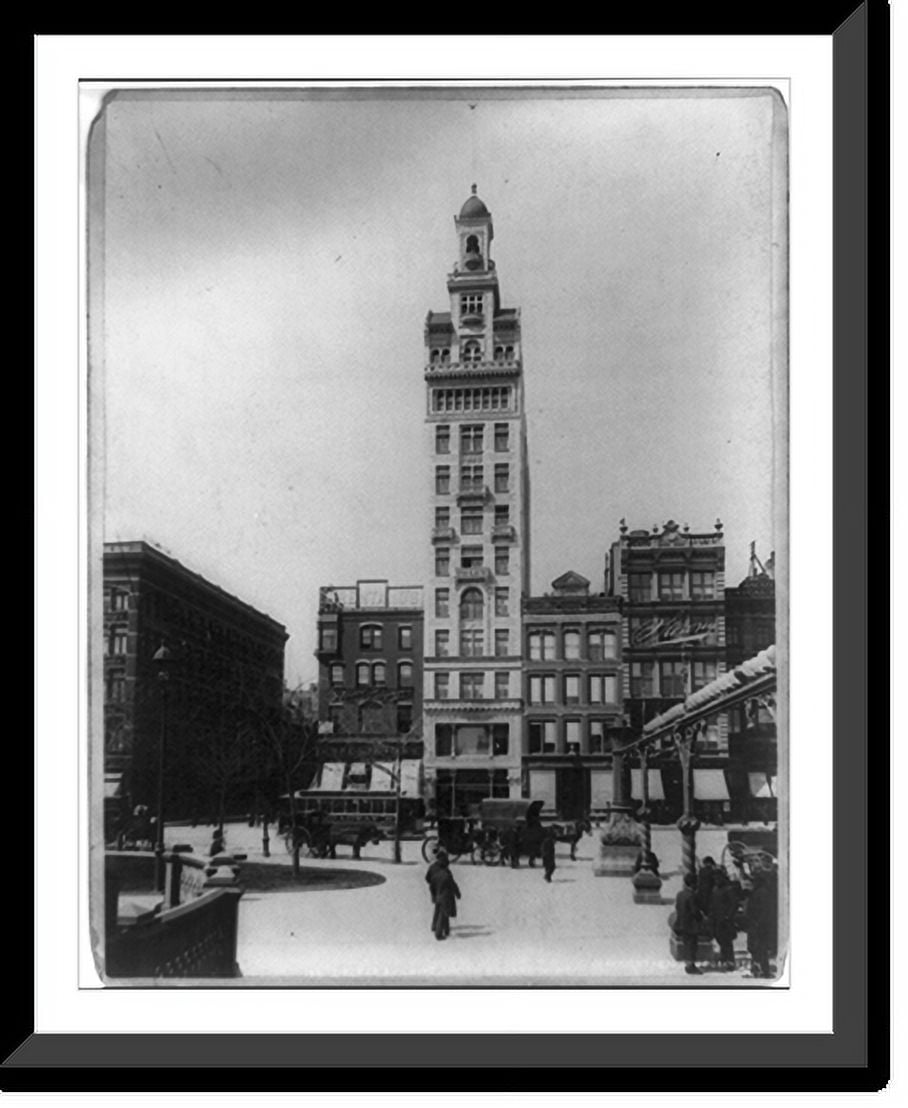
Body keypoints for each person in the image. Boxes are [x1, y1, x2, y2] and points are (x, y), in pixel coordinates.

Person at [745, 868, 774, 977]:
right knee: (757, 947)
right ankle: (758, 968)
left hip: (758, 925)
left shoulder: (761, 893)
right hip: (757, 924)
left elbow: (763, 910)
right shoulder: (760, 892)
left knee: (759, 947)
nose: (752, 883)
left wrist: (758, 923)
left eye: (754, 881)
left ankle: (762, 970)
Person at [426, 851, 461, 940]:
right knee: (444, 913)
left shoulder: (432, 868)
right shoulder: (446, 873)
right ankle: (439, 933)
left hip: (436, 892)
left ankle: (437, 927)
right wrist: (457, 894)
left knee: (438, 909)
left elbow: (427, 878)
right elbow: (453, 884)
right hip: (446, 895)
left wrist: (434, 888)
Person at [673, 871, 704, 974]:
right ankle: (691, 965)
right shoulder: (691, 896)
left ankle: (688, 964)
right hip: (691, 924)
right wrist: (701, 918)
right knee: (692, 945)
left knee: (687, 944)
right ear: (693, 884)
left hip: (681, 923)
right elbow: (694, 911)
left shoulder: (680, 894)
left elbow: (677, 907)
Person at [709, 868, 738, 970]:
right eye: (715, 878)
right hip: (717, 919)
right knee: (720, 939)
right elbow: (713, 903)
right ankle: (724, 958)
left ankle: (729, 961)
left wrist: (728, 916)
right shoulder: (715, 889)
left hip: (725, 920)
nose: (716, 880)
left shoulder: (728, 889)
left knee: (727, 941)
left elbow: (734, 904)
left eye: (718, 878)